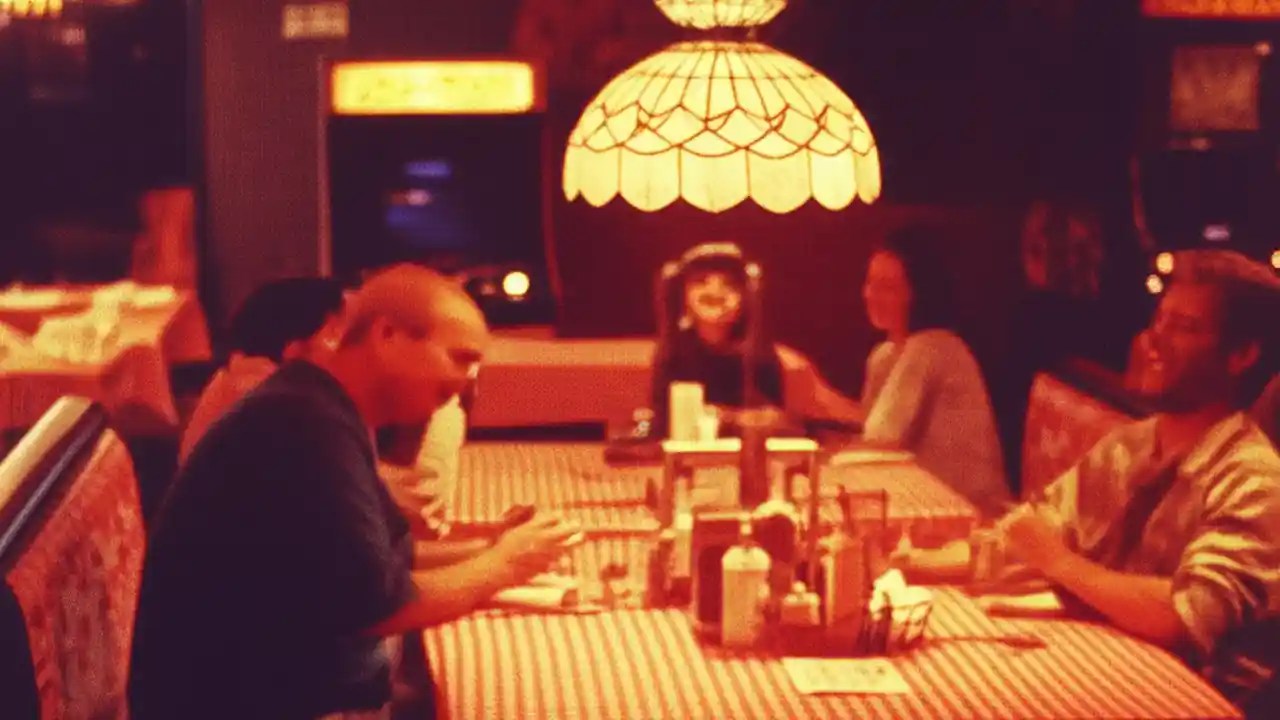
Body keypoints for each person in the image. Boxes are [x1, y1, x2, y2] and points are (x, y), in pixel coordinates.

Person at [129, 264, 577, 720]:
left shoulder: (322, 406)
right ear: (387, 336)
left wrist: (499, 549)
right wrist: (503, 565)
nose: (467, 380)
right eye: (459, 357)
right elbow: (381, 606)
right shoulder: (303, 425)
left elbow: (388, 555)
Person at [895, 249, 1280, 715]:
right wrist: (905, 565)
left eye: (1185, 327)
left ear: (1242, 356)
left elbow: (1184, 616)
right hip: (1104, 676)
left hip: (1190, 702)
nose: (1154, 339)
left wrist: (1060, 563)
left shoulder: (1252, 479)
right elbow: (1024, 537)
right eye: (1160, 319)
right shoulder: (1129, 449)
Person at [854, 226, 1011, 516]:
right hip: (924, 506)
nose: (871, 295)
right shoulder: (884, 355)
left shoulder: (934, 347)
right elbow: (868, 439)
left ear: (918, 294)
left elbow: (879, 442)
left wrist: (817, 395)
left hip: (976, 518)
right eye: (869, 283)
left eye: (887, 287)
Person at [179, 276, 347, 464]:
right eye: (332, 333)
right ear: (293, 350)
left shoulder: (240, 378)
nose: (344, 346)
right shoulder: (271, 405)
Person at [650, 242, 785, 434]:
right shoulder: (674, 351)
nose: (715, 291)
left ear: (746, 298)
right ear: (683, 297)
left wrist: (728, 417)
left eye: (729, 284)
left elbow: (778, 419)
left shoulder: (758, 353)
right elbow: (662, 421)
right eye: (701, 281)